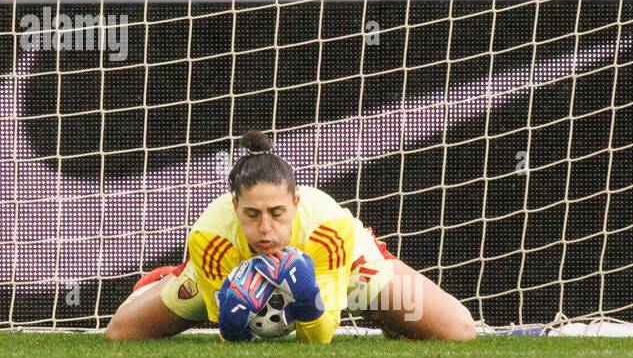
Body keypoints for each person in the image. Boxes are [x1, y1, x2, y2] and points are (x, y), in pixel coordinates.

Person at [105, 130, 478, 343]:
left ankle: (389, 318)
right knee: (121, 333)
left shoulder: (328, 228)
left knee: (458, 330)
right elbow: (231, 336)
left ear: (296, 204)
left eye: (277, 214)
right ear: (235, 206)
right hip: (232, 272)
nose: (265, 228)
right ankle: (164, 279)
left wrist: (307, 298)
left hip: (347, 273)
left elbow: (319, 338)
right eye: (252, 215)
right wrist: (232, 319)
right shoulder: (211, 237)